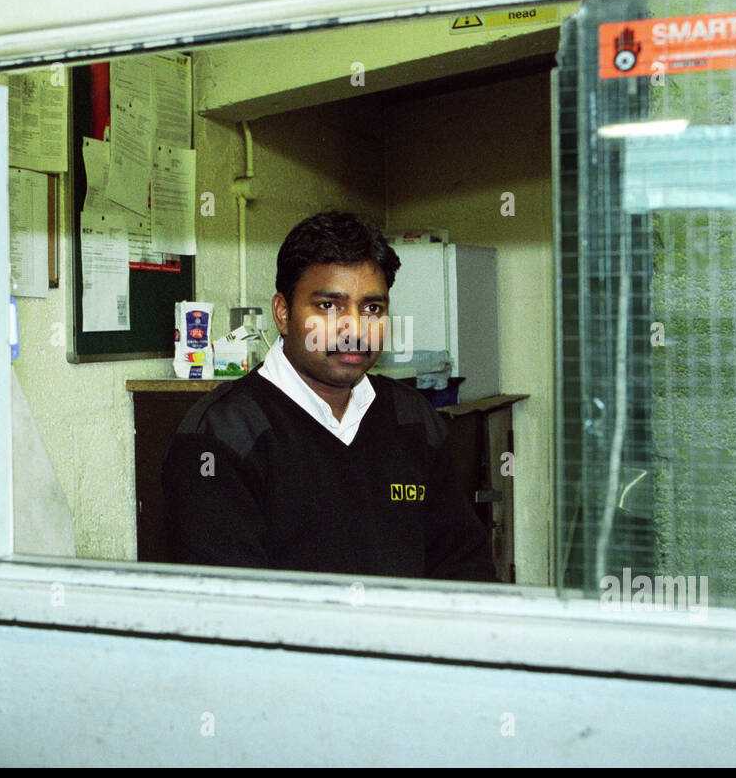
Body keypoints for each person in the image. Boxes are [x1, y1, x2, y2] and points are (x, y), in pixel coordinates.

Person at [161, 210, 498, 581]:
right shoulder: (221, 436)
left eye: (372, 308)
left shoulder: (412, 418)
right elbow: (233, 612)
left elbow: (463, 565)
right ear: (283, 313)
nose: (354, 327)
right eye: (328, 306)